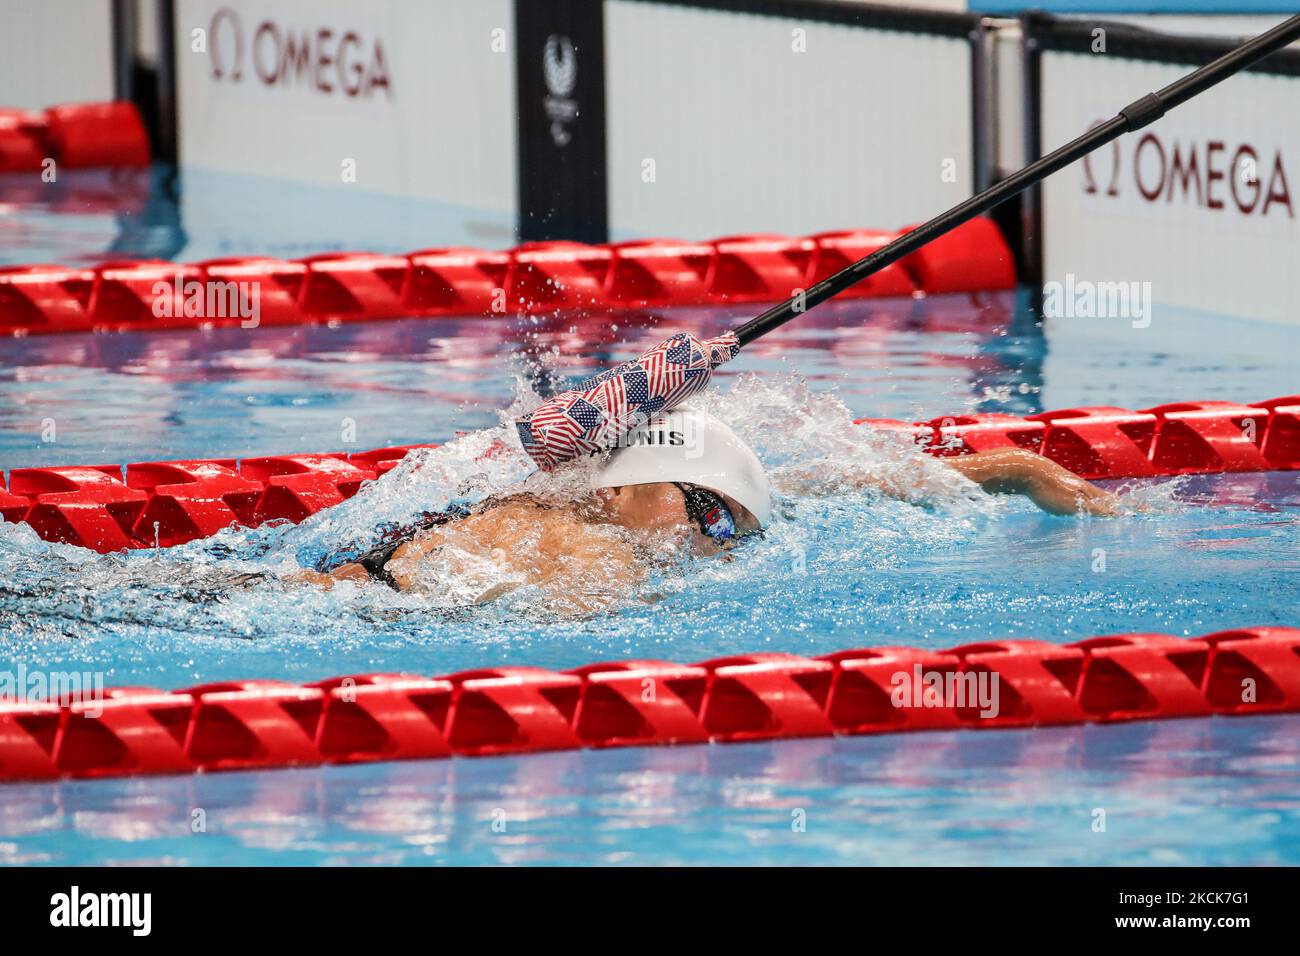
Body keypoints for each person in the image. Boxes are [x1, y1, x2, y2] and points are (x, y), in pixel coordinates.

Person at [292, 404, 1122, 611]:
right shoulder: (600, 551)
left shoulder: (600, 509)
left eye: (730, 528)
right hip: (342, 609)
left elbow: (828, 483)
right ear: (620, 488)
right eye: (707, 513)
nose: (712, 541)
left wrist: (1013, 469)